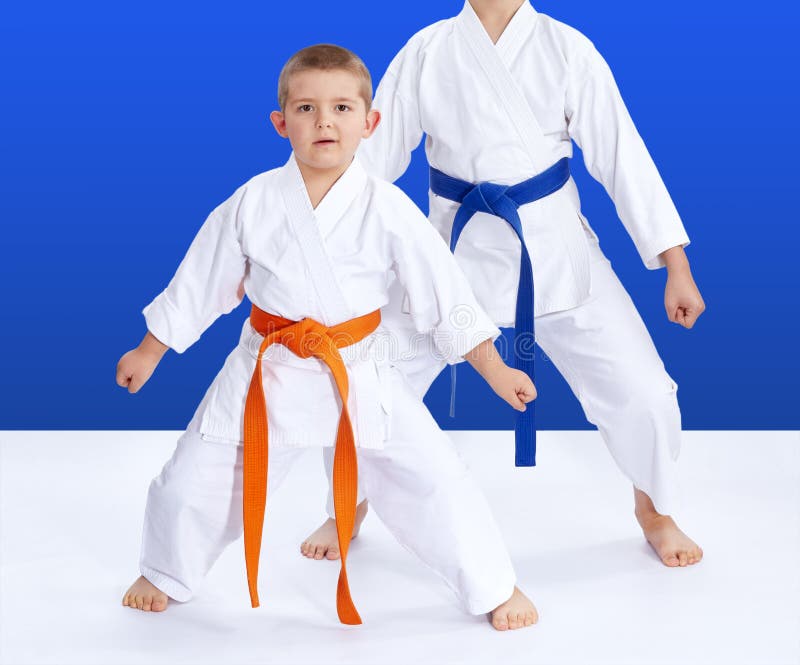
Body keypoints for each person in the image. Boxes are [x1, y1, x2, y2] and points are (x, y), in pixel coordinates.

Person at [117, 43, 539, 630]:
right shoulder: (253, 202)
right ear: (280, 122)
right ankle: (162, 570)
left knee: (437, 479)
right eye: (307, 108)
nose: (324, 122)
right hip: (267, 368)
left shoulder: (388, 209)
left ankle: (493, 585)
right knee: (192, 479)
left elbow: (447, 297)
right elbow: (202, 280)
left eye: (342, 108)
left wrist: (496, 369)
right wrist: (150, 348)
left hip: (361, 369)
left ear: (370, 123)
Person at [302, 0, 706, 568]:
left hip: (554, 254)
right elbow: (370, 160)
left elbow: (624, 158)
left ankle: (653, 508)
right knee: (361, 379)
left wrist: (676, 265)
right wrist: (319, 245)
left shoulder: (569, 49)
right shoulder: (428, 50)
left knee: (647, 395)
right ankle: (350, 499)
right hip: (447, 260)